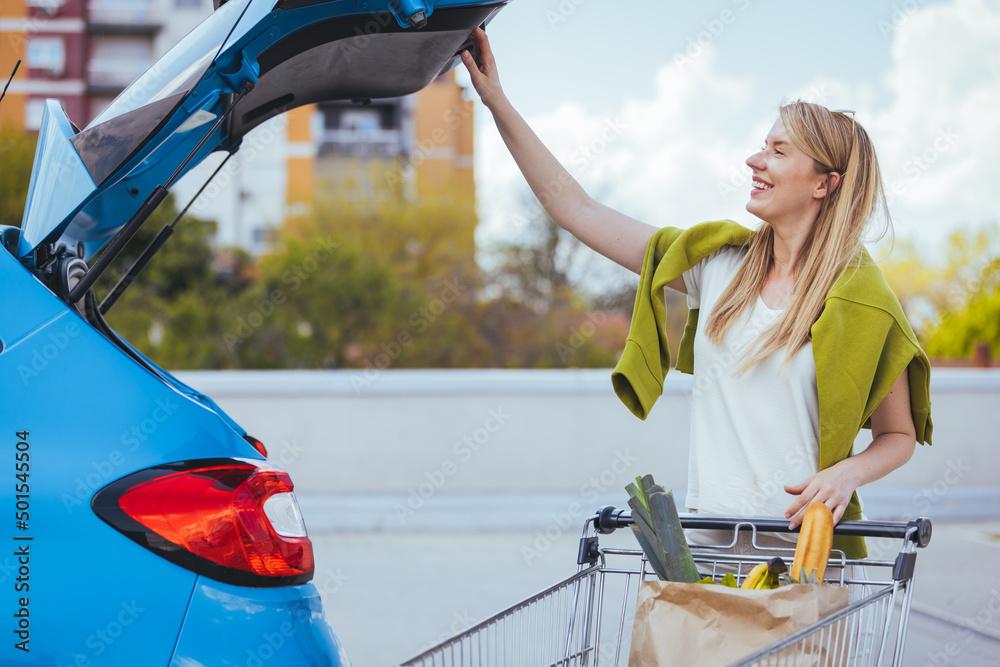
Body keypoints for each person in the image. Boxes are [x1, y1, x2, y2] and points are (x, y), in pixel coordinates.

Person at [460, 29, 932, 565]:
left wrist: (847, 474)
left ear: (824, 184)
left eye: (778, 151)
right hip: (710, 550)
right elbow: (576, 209)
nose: (755, 160)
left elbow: (898, 435)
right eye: (763, 145)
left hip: (812, 563)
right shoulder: (716, 265)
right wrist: (496, 99)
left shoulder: (863, 302)